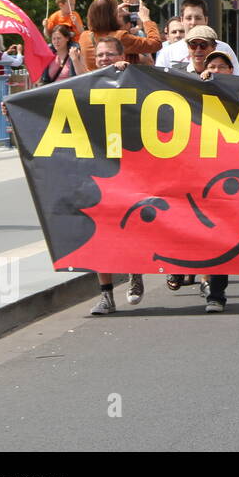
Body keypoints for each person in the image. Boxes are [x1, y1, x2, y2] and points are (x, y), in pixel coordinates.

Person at [83, 37, 149, 312]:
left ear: (122, 56)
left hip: (132, 164)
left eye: (110, 54)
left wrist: (130, 73)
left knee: (131, 222)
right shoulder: (85, 83)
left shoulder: (134, 78)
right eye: (100, 55)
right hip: (98, 165)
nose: (104, 59)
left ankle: (135, 272)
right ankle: (106, 294)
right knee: (101, 230)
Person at [80, 0, 162, 72]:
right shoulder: (120, 37)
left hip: (93, 83)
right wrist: (146, 19)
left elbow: (100, 29)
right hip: (119, 83)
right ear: (112, 15)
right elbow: (155, 43)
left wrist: (112, 13)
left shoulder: (84, 36)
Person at [153, 0, 238, 70]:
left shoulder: (224, 49)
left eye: (198, 18)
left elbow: (236, 80)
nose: (193, 23)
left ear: (206, 20)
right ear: (182, 20)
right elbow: (158, 83)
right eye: (188, 18)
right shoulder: (167, 53)